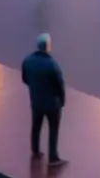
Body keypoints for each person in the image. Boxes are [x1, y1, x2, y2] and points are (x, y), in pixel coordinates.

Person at [21, 33, 67, 167]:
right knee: (53, 129)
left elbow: (25, 78)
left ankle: (35, 150)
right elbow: (60, 85)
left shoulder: (28, 61)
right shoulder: (52, 65)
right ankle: (53, 157)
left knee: (36, 126)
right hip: (52, 104)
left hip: (36, 101)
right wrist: (62, 100)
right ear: (47, 46)